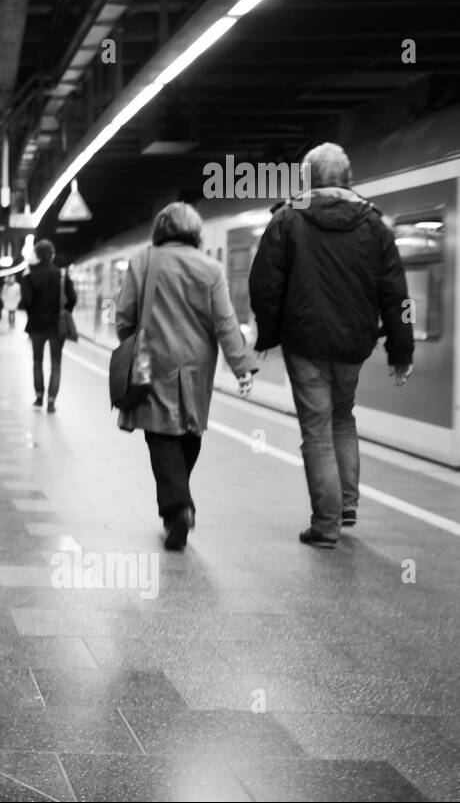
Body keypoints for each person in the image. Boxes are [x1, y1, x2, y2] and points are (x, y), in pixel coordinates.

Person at [248, 142, 413, 549]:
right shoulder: (375, 225)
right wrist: (401, 351)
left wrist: (268, 334)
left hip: (305, 342)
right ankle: (347, 504)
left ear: (307, 180)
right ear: (348, 180)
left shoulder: (287, 219)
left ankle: (326, 524)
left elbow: (264, 284)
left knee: (317, 429)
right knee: (343, 417)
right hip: (354, 342)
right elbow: (397, 293)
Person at [116, 202, 258, 551]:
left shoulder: (142, 261)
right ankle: (176, 507)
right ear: (196, 233)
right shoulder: (211, 268)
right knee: (189, 434)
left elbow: (124, 315)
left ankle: (179, 507)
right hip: (197, 368)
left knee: (160, 438)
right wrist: (242, 366)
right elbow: (226, 322)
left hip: (151, 363)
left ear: (160, 230)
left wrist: (129, 342)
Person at [19, 240, 77, 413]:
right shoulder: (62, 275)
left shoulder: (29, 277)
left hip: (36, 326)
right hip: (56, 326)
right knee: (56, 364)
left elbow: (26, 302)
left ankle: (38, 397)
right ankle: (51, 402)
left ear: (37, 255)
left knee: (37, 361)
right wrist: (64, 311)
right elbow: (72, 298)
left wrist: (34, 313)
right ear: (51, 255)